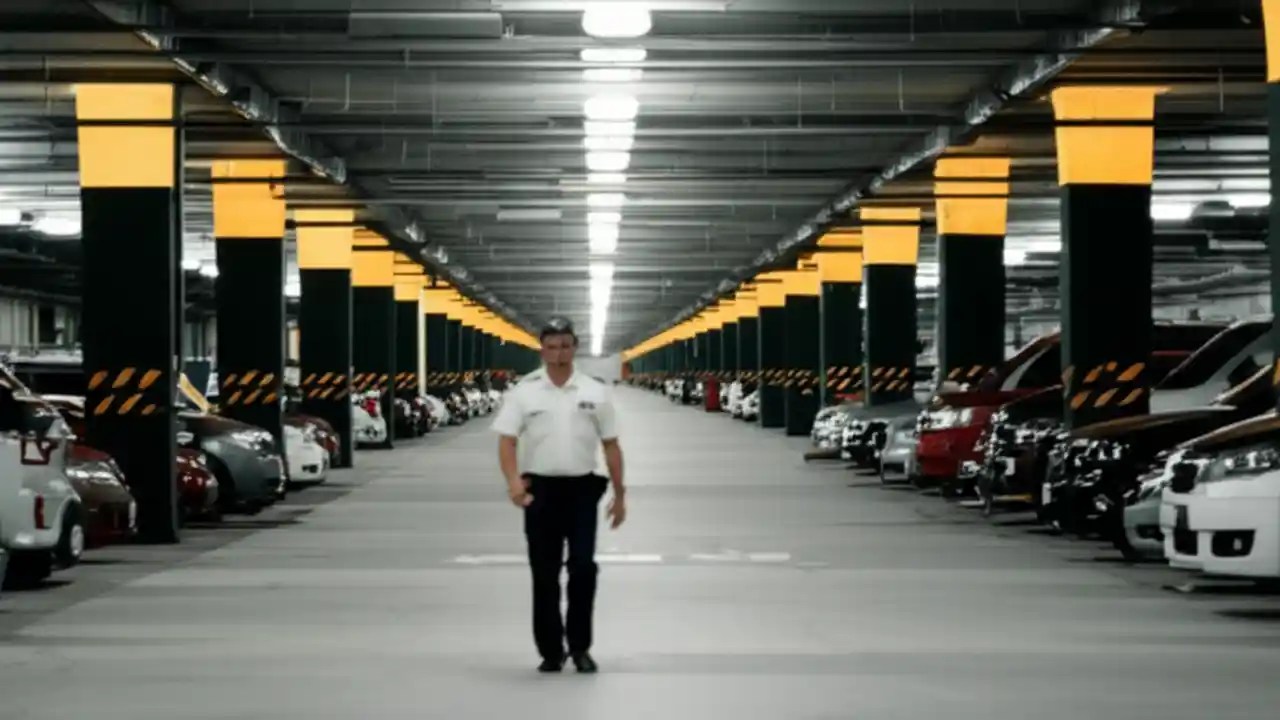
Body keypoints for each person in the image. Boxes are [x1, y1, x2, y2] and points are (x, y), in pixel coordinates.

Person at [491, 316, 627, 674]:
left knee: (584, 569)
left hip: (583, 490)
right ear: (542, 349)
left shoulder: (595, 391)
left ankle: (580, 647)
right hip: (541, 492)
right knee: (544, 573)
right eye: (551, 346)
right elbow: (507, 441)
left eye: (565, 345)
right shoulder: (525, 391)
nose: (559, 353)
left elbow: (611, 445)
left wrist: (620, 493)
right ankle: (551, 650)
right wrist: (513, 484)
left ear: (574, 347)